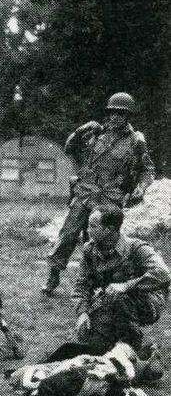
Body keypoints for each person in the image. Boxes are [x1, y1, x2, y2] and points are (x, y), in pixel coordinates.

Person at [43, 92, 155, 295]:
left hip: (109, 198)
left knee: (100, 241)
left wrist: (141, 187)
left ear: (128, 116)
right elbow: (69, 148)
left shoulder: (135, 141)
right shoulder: (96, 133)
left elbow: (147, 170)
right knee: (68, 234)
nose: (115, 117)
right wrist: (80, 131)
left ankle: (95, 284)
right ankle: (53, 274)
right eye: (112, 113)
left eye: (120, 114)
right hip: (85, 193)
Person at [70, 206, 169, 354]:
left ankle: (131, 345)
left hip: (147, 303)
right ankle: (139, 348)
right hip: (111, 300)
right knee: (92, 343)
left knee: (118, 298)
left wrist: (126, 286)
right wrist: (82, 312)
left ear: (109, 229)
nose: (88, 230)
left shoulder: (137, 248)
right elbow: (81, 285)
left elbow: (164, 274)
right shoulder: (89, 250)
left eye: (93, 226)